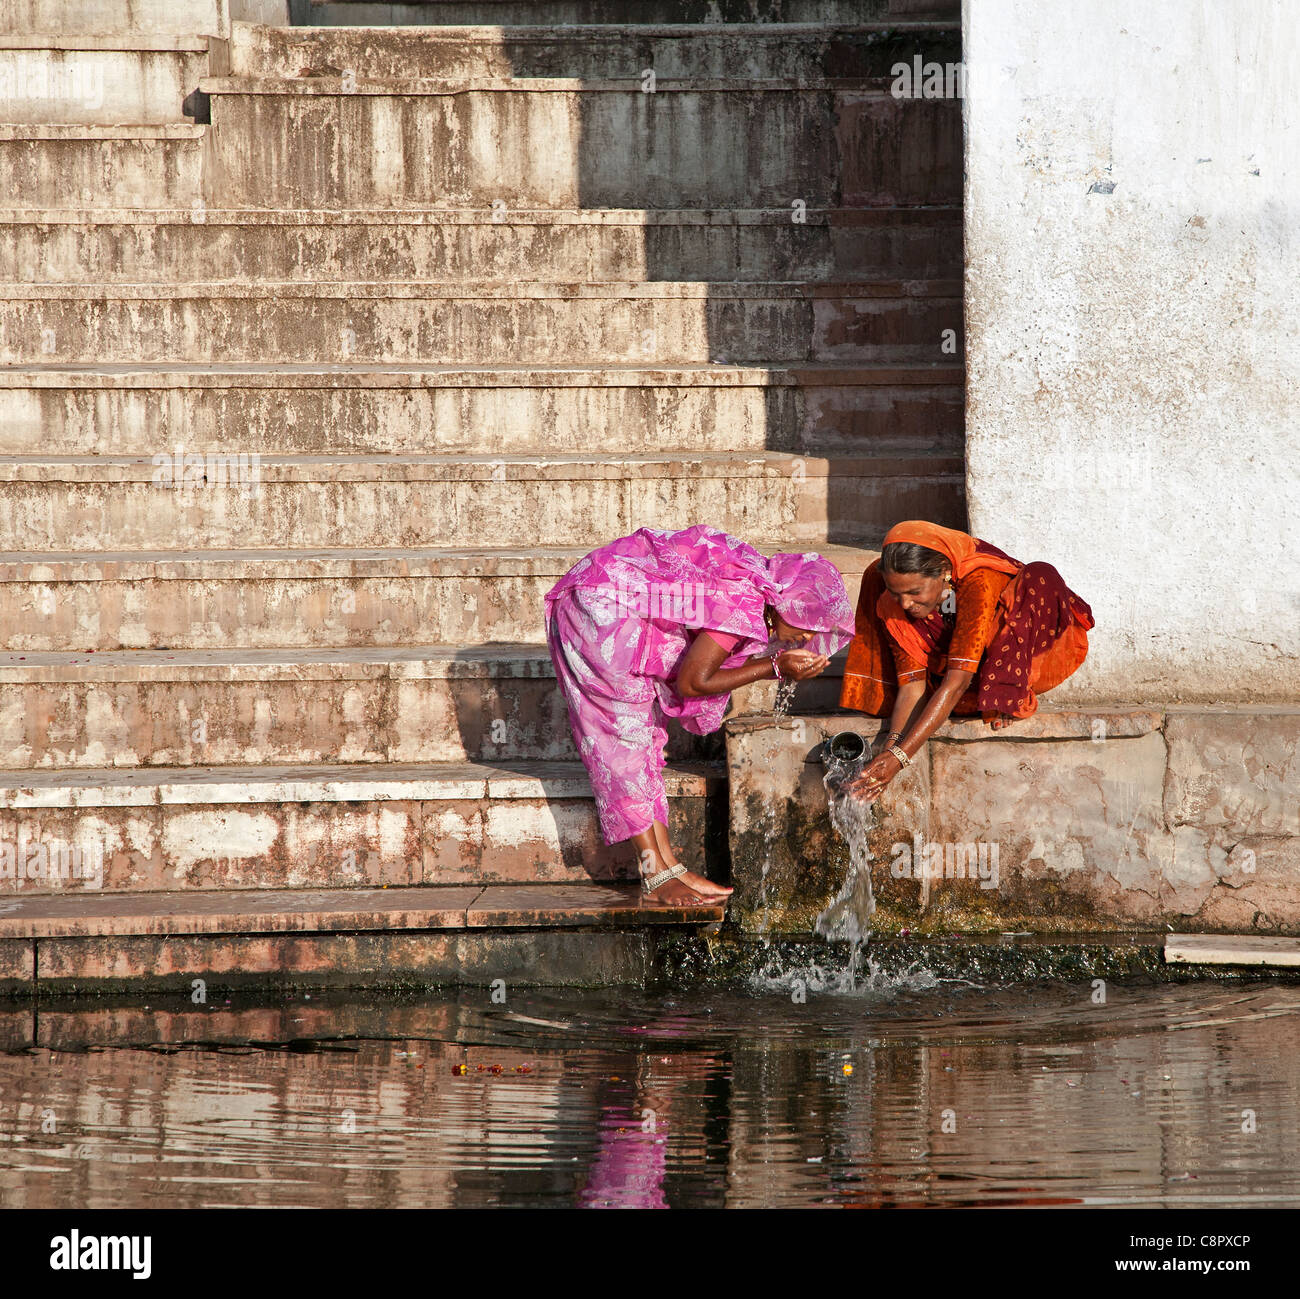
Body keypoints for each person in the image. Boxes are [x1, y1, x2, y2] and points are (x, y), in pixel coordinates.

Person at [546, 524, 854, 906]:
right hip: (598, 606)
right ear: (785, 601)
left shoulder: (755, 592)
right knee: (623, 742)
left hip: (618, 598)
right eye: (809, 619)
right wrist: (773, 667)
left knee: (645, 738)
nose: (810, 636)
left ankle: (668, 865)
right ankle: (654, 873)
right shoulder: (743, 599)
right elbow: (693, 683)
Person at [839, 520, 1094, 801]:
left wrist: (900, 759)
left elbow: (957, 682)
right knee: (875, 582)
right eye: (897, 593)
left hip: (1010, 661)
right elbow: (912, 686)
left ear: (945, 573)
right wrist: (890, 748)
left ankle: (1008, 691)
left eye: (915, 592)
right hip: (956, 674)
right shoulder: (892, 601)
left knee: (1039, 574)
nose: (906, 605)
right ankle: (979, 698)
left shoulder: (979, 580)